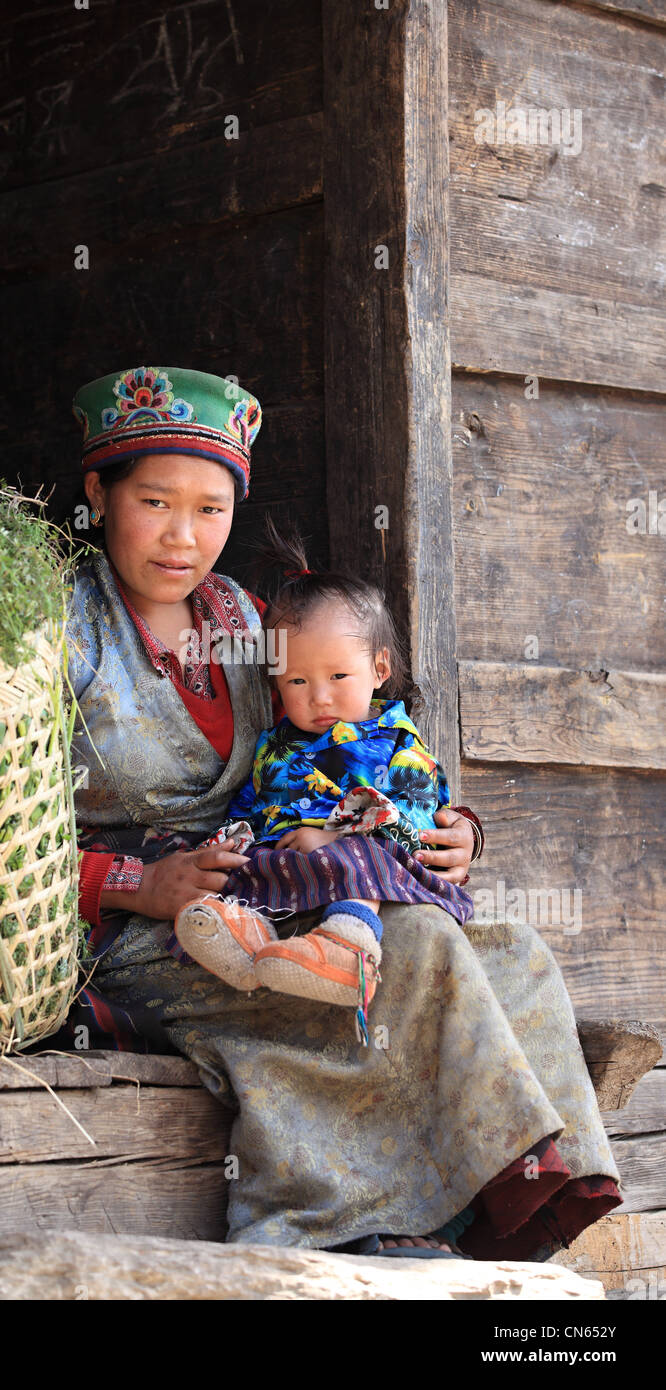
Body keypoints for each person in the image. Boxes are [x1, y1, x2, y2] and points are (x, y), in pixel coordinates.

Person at [65, 364, 621, 1260]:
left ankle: (509, 1218)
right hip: (147, 930)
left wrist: (445, 828)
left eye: (211, 509)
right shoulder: (58, 628)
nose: (183, 537)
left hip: (284, 888)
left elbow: (346, 737)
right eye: (156, 502)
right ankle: (346, 1226)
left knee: (512, 951)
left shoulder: (249, 620)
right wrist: (141, 883)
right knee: (414, 952)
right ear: (98, 492)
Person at [174, 522, 475, 1047]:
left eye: (338, 677)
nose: (318, 698)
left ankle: (348, 944)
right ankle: (248, 947)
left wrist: (335, 837)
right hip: (293, 864)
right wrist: (233, 841)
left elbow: (418, 818)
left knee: (364, 857)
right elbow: (252, 801)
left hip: (372, 866)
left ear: (379, 667)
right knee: (246, 869)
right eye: (297, 682)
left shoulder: (394, 744)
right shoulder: (274, 744)